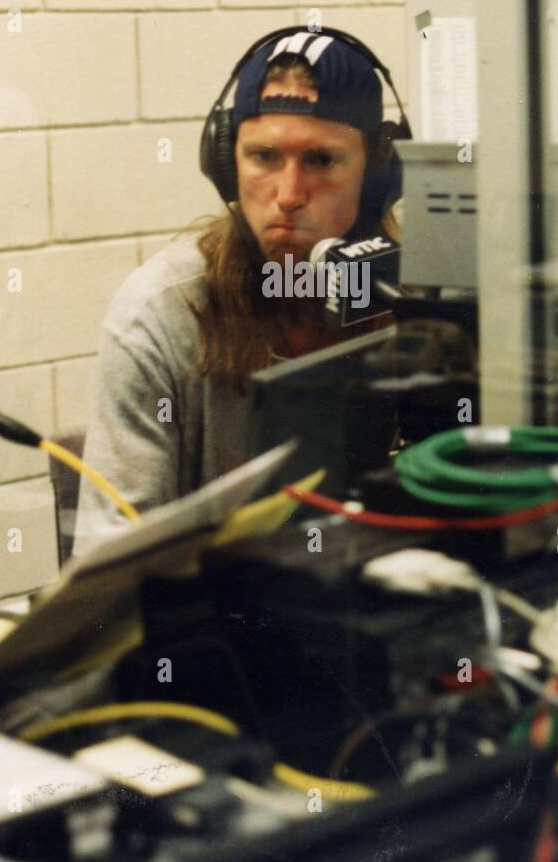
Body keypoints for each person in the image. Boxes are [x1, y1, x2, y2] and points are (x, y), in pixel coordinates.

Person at [70, 28, 406, 557]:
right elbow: (111, 562)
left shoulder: (408, 297)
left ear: (378, 173)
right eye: (265, 157)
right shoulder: (159, 313)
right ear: (228, 165)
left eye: (321, 161)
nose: (289, 196)